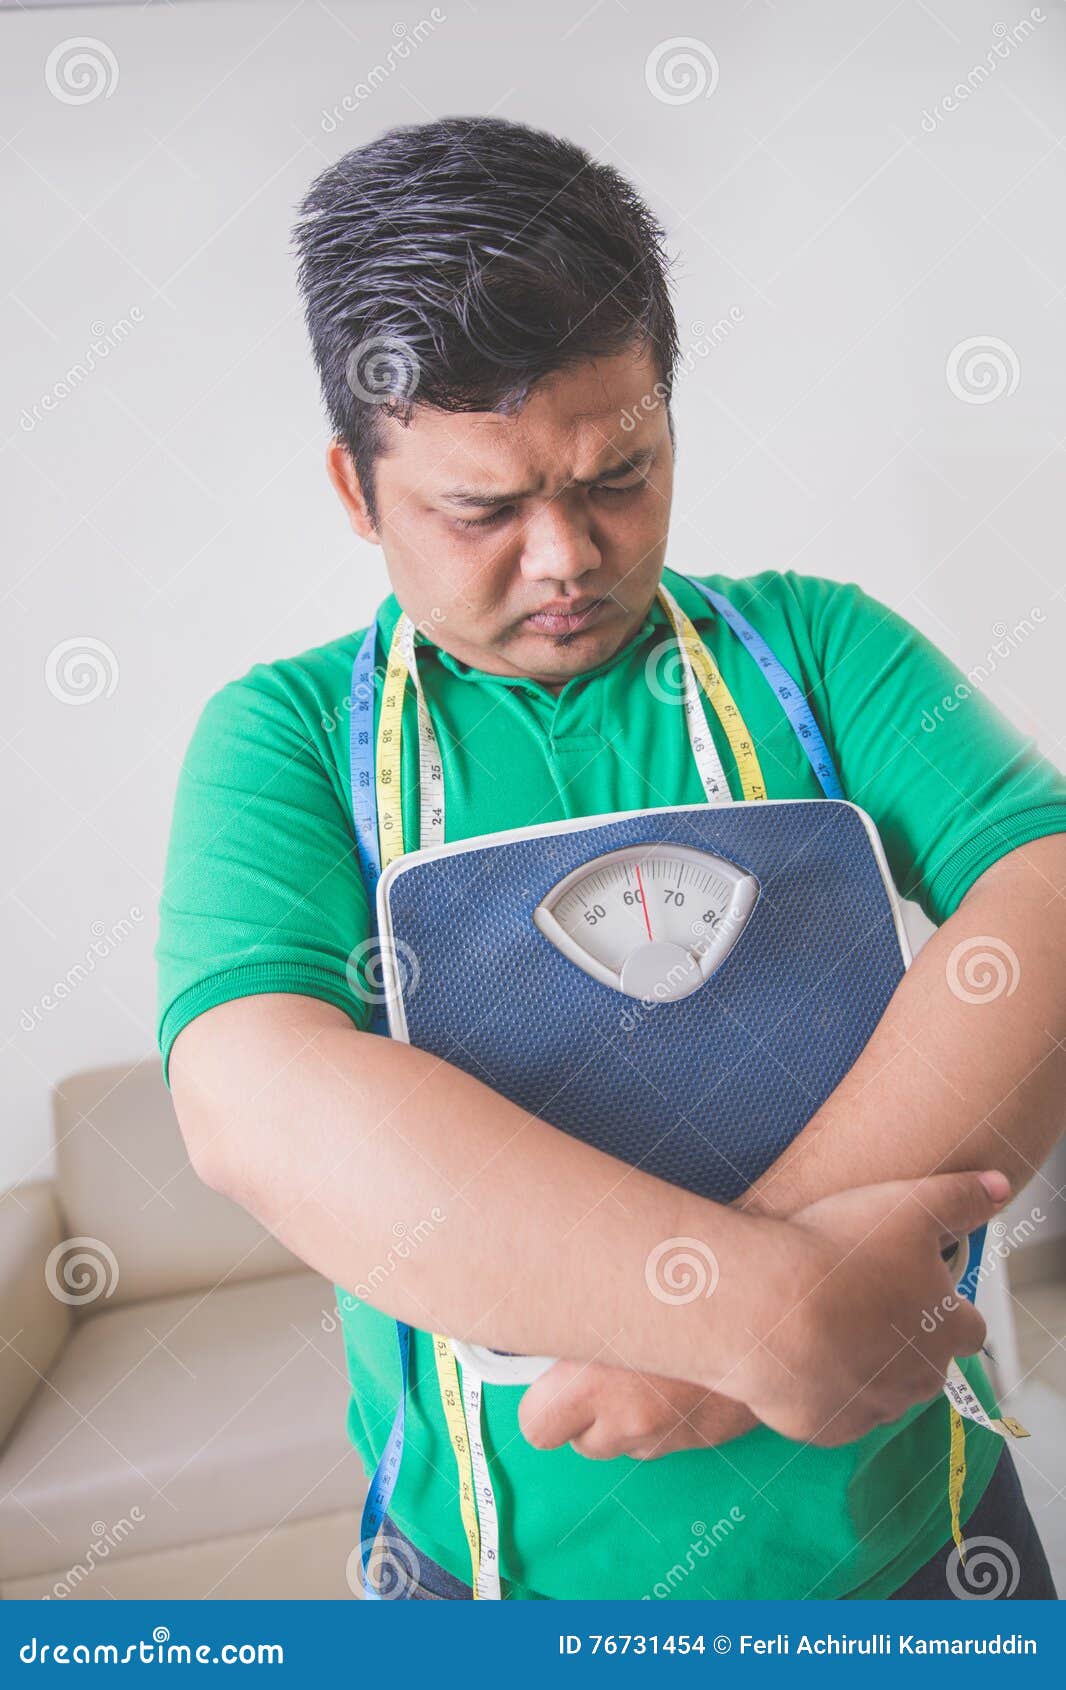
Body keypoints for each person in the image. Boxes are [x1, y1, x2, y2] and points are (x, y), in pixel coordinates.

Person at [156, 116, 1065, 1602]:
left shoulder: (819, 651)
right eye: (484, 508)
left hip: (914, 1547)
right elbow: (254, 1094)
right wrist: (746, 1310)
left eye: (618, 473)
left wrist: (750, 1325)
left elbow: (1047, 890)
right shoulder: (284, 739)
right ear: (354, 489)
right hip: (487, 1588)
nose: (567, 553)